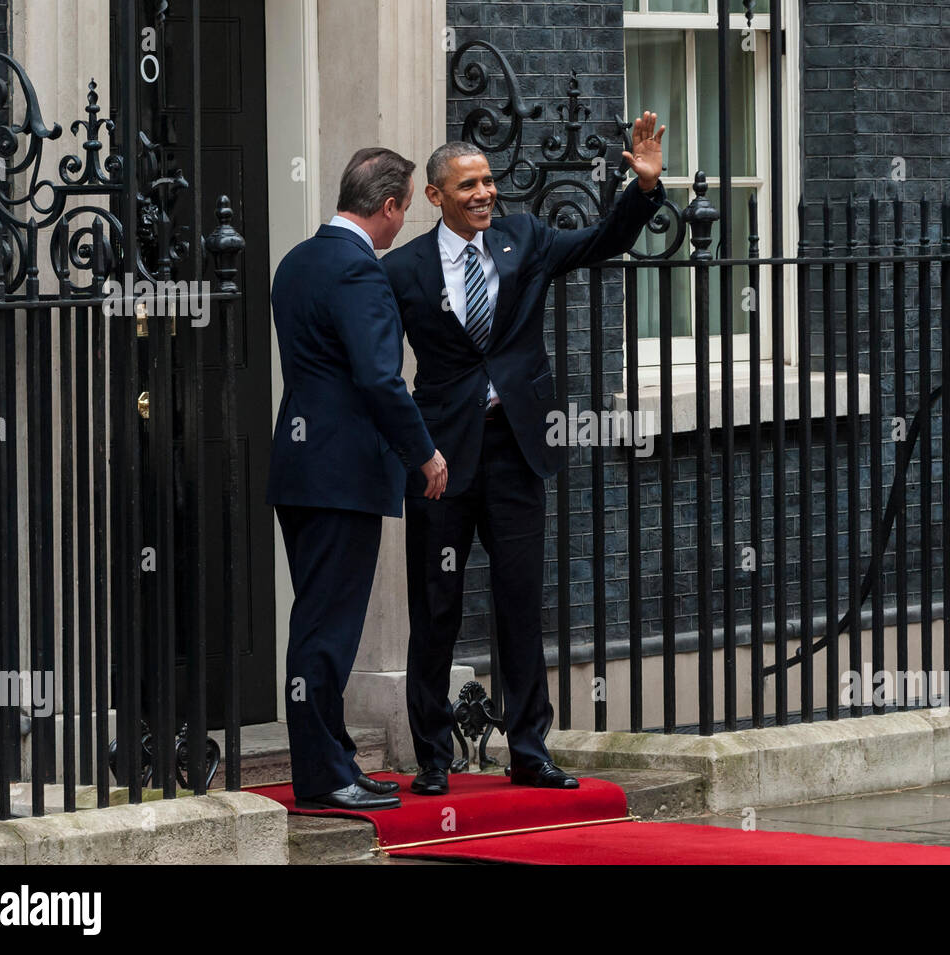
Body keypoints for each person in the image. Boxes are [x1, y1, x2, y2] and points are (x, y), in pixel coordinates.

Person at [384, 112, 667, 795]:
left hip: (515, 452)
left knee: (520, 602)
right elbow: (378, 367)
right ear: (435, 196)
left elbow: (601, 243)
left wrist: (645, 190)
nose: (484, 194)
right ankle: (432, 756)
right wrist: (411, 447)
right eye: (468, 185)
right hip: (440, 461)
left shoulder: (525, 239)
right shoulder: (402, 269)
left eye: (487, 181)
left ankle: (529, 749)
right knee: (436, 607)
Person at [267, 147, 448, 810]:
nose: (402, 224)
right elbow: (379, 378)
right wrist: (424, 454)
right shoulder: (360, 273)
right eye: (404, 210)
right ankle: (322, 774)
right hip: (341, 472)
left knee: (316, 618)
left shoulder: (296, 262)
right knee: (328, 627)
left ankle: (332, 755)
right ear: (392, 205)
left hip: (300, 464)